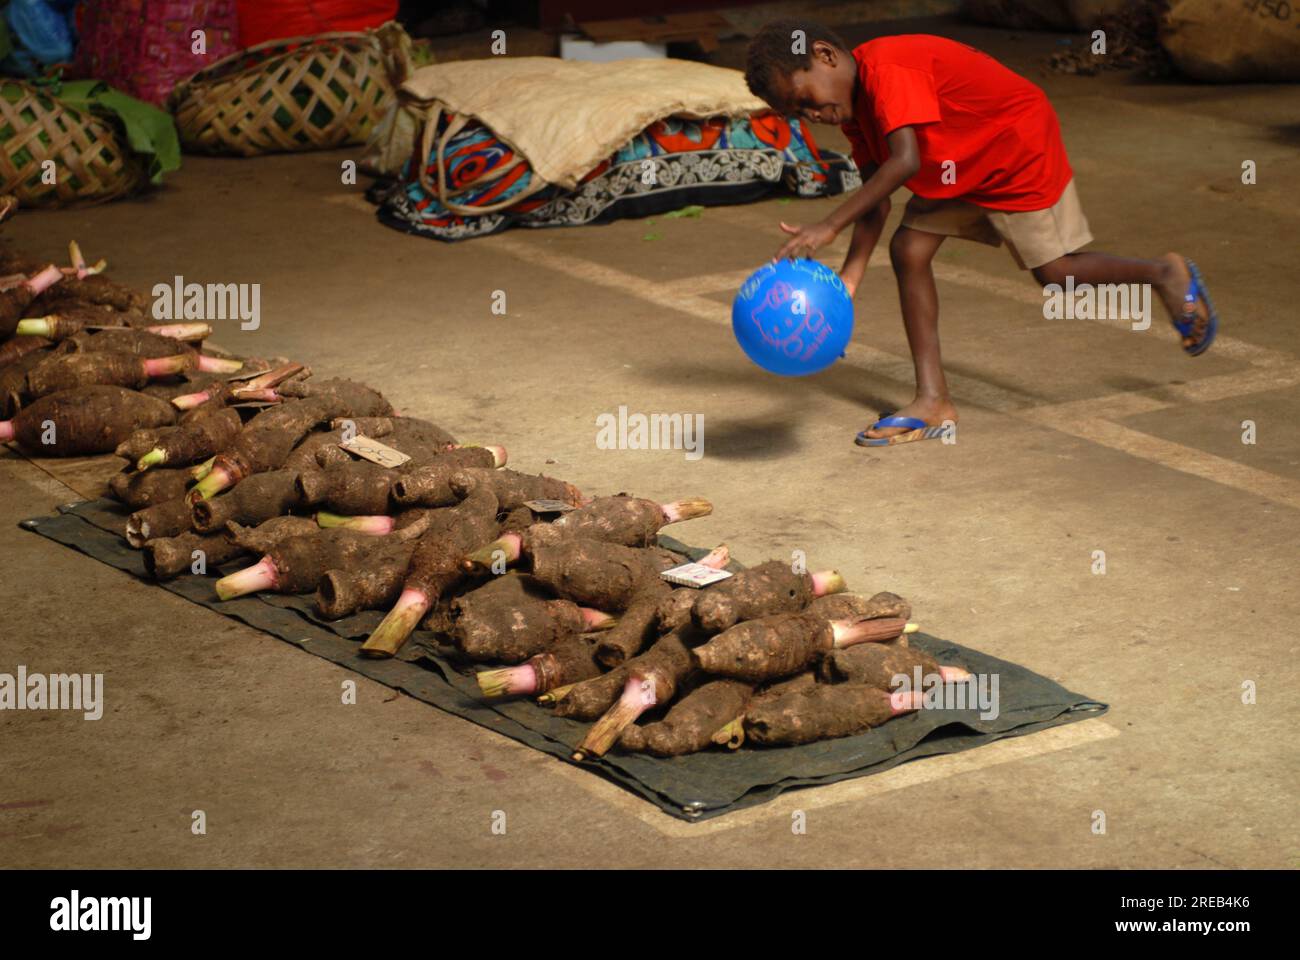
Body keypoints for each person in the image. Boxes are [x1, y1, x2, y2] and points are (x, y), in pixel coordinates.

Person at [744, 23, 1219, 445]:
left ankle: (1163, 273)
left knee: (1056, 274)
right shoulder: (853, 111)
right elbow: (878, 195)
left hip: (1013, 143)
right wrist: (847, 281)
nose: (813, 116)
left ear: (825, 56)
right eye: (799, 114)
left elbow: (905, 161)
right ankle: (933, 401)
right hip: (955, 163)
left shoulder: (890, 68)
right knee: (909, 248)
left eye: (807, 99)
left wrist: (828, 224)